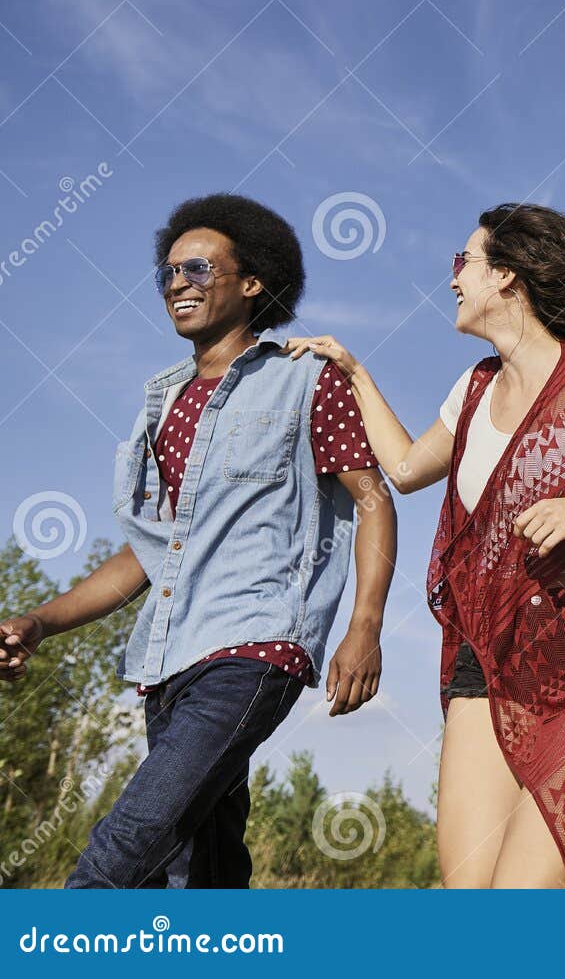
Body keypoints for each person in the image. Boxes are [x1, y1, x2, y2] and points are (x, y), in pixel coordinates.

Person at [288, 204, 565, 889]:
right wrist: (355, 372)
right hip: (482, 666)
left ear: (507, 275)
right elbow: (405, 468)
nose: (453, 280)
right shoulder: (473, 388)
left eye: (464, 262)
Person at [0, 194, 396, 888]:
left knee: (126, 847)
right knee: (199, 870)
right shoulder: (164, 405)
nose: (177, 282)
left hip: (254, 647)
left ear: (252, 283)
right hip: (168, 660)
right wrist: (38, 623)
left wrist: (364, 625)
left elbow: (373, 500)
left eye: (198, 267)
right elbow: (148, 554)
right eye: (168, 272)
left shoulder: (308, 379)